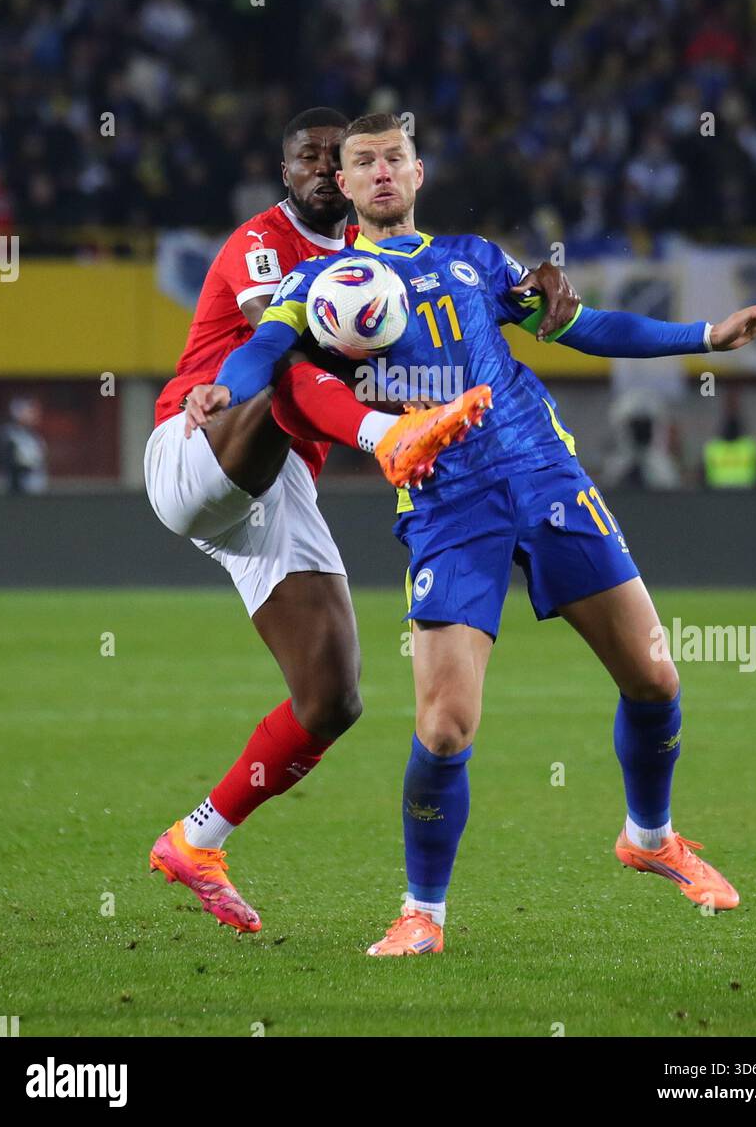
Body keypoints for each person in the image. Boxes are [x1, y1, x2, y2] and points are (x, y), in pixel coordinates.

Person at [210, 113, 756, 954]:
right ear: (341, 186)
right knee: (445, 725)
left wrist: (706, 336)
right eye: (363, 163)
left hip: (545, 475)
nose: (381, 173)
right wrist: (221, 394)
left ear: (418, 175)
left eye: (395, 159)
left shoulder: (477, 260)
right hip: (447, 503)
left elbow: (583, 325)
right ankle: (423, 914)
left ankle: (650, 835)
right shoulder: (321, 283)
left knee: (657, 678)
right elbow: (263, 352)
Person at [145, 107, 578, 933]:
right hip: (201, 441)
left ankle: (197, 841)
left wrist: (542, 286)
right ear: (295, 175)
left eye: (329, 159)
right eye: (305, 159)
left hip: (275, 494)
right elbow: (277, 356)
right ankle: (392, 441)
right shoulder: (264, 247)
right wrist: (389, 424)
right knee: (298, 350)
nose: (318, 171)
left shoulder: (374, 260)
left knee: (334, 696)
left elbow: (498, 306)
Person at [0, 397, 48, 495]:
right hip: (18, 493)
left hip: (35, 490)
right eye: (30, 411)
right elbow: (10, 464)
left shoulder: (34, 436)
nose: (35, 415)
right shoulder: (9, 434)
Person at [702, 413, 756, 489]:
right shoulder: (750, 446)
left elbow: (703, 475)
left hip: (721, 490)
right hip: (743, 489)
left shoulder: (712, 447)